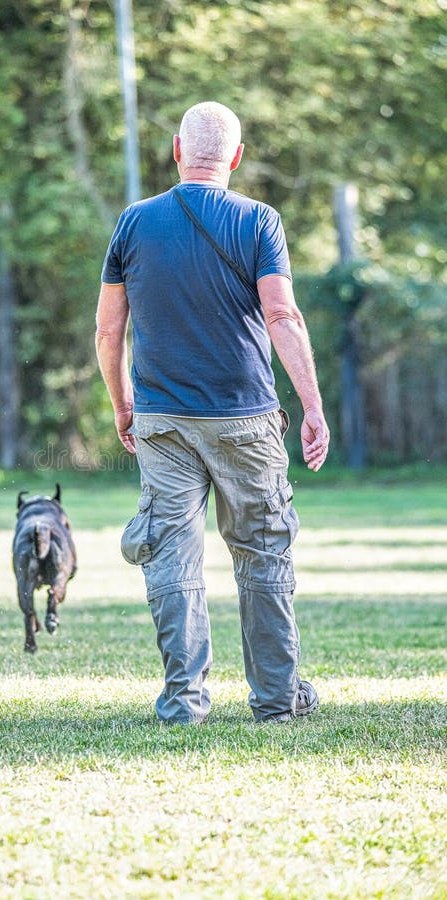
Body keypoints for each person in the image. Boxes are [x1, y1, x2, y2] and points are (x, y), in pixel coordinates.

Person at [96, 101, 330, 724]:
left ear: (177, 150)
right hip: (246, 418)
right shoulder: (259, 220)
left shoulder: (133, 223)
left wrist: (123, 407)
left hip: (162, 422)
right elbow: (281, 315)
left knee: (171, 556)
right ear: (236, 157)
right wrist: (312, 405)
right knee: (263, 553)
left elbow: (107, 332)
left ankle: (184, 701)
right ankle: (278, 701)